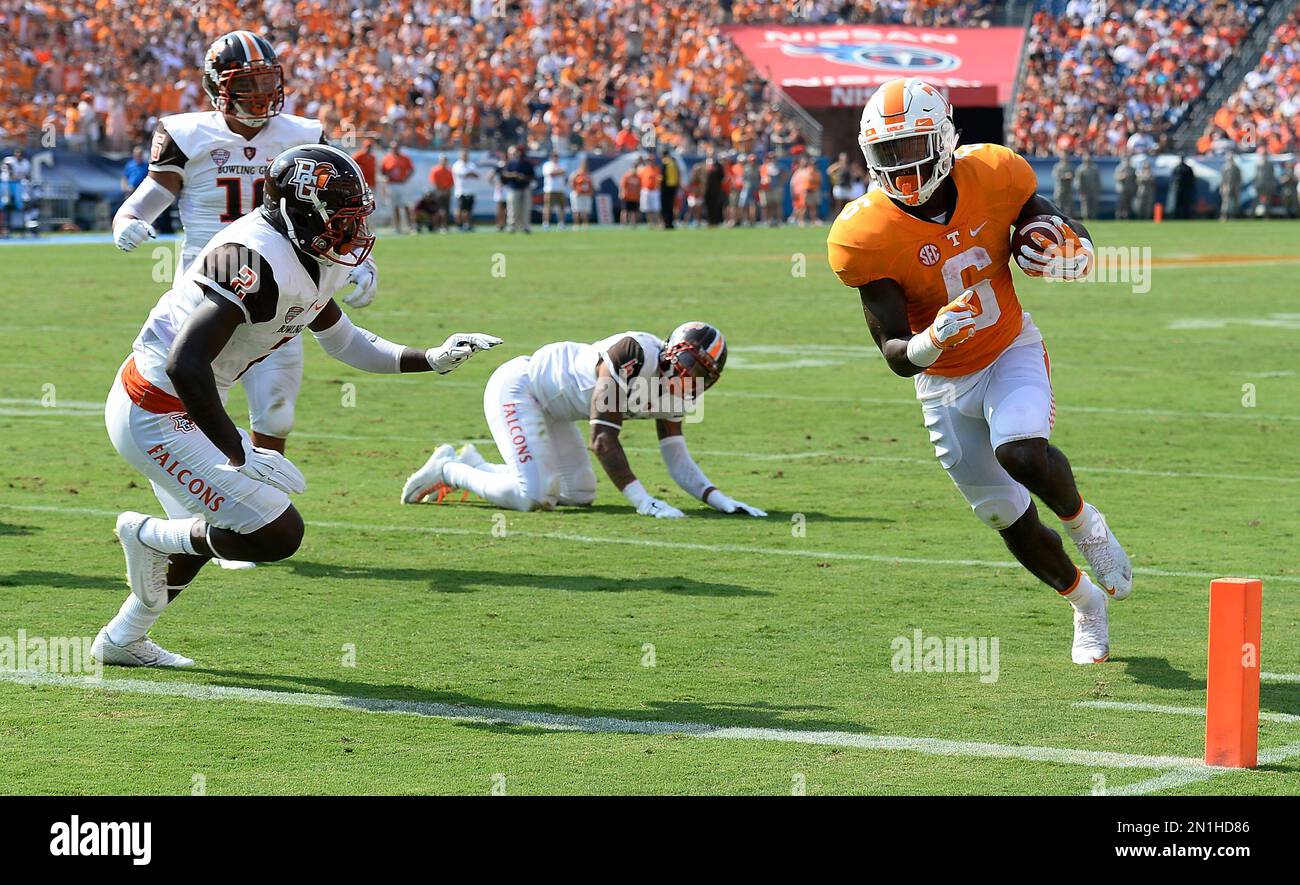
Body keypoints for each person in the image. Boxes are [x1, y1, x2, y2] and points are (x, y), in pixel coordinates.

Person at [95, 143, 501, 667]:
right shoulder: (252, 257)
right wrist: (238, 450)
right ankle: (147, 535)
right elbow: (184, 363)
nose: (353, 232)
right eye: (343, 219)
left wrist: (433, 358)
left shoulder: (308, 253)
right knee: (275, 531)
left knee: (211, 532)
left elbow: (346, 342)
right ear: (301, 212)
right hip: (153, 406)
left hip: (184, 404)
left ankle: (122, 638)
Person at [826, 77, 1131, 665]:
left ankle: (1086, 523)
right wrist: (931, 338)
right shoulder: (864, 233)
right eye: (888, 155)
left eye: (912, 148)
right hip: (940, 379)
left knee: (1020, 450)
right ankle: (1086, 604)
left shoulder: (993, 173)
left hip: (1008, 345)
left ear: (943, 139)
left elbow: (1053, 220)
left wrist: (1077, 250)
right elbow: (891, 350)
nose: (904, 169)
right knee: (1003, 515)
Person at [110, 31, 378, 570]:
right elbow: (152, 195)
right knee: (189, 396)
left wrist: (358, 260)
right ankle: (217, 509)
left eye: (267, 83)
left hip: (289, 278)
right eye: (246, 85)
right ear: (216, 88)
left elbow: (340, 205)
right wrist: (130, 218)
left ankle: (253, 502)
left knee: (276, 405)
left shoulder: (302, 133)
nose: (260, 96)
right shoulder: (188, 133)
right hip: (214, 289)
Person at [401, 323, 764, 520]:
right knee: (534, 496)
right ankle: (448, 470)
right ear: (671, 352)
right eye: (688, 364)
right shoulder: (632, 353)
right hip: (520, 389)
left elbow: (677, 457)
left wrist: (718, 500)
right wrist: (643, 502)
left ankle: (475, 465)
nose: (689, 377)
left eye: (702, 373)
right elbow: (602, 440)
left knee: (579, 494)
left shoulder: (676, 390)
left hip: (556, 410)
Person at [382, 142, 417, 234]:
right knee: (395, 207)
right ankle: (397, 227)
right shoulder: (387, 158)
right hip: (392, 184)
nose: (395, 149)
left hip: (402, 184)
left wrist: (405, 178)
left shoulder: (405, 158)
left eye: (396, 147)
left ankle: (411, 226)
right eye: (393, 147)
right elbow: (383, 171)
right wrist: (388, 176)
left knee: (406, 205)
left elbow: (411, 170)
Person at [502, 145, 534, 233]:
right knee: (512, 208)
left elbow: (532, 176)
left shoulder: (527, 163)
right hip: (513, 188)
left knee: (525, 208)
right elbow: (505, 174)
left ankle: (525, 226)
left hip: (525, 187)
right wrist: (514, 174)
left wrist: (524, 177)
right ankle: (512, 226)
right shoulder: (510, 163)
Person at [451, 148, 480, 232]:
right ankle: (459, 224)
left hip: (471, 191)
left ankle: (467, 224)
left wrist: (470, 174)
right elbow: (464, 174)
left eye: (466, 155)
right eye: (463, 155)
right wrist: (470, 174)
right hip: (461, 191)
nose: (465, 157)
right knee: (461, 209)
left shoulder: (471, 164)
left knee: (469, 210)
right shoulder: (457, 165)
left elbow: (476, 175)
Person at [427, 154, 454, 233]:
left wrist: (446, 190)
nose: (444, 162)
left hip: (447, 192)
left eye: (445, 160)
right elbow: (434, 182)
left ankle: (444, 226)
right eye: (442, 160)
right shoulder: (435, 170)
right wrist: (441, 190)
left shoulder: (449, 171)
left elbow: (451, 182)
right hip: (437, 193)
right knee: (437, 211)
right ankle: (436, 226)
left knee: (446, 210)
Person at [541, 150, 567, 229]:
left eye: (556, 156)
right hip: (549, 189)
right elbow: (551, 174)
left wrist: (556, 172)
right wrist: (558, 172)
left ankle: (561, 223)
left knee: (561, 207)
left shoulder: (562, 163)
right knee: (548, 207)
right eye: (554, 156)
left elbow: (563, 172)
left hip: (560, 189)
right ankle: (546, 223)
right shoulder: (547, 165)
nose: (555, 158)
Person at [569, 158, 594, 229]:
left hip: (586, 194)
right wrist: (576, 191)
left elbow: (591, 185)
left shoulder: (588, 175)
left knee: (585, 210)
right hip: (578, 194)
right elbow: (571, 183)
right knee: (576, 210)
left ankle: (585, 224)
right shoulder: (576, 174)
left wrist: (590, 192)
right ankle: (576, 224)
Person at [638, 154, 662, 227]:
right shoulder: (643, 169)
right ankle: (650, 224)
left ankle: (658, 223)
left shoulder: (657, 169)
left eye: (650, 160)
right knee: (647, 208)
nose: (649, 162)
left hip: (654, 191)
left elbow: (660, 179)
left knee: (656, 208)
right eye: (648, 160)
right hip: (645, 191)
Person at [659, 149, 680, 229]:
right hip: (673, 187)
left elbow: (662, 177)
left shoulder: (665, 162)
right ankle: (671, 223)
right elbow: (678, 174)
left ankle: (666, 223)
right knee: (671, 206)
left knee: (665, 206)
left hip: (665, 187)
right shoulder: (673, 162)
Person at [1076, 153, 1100, 220]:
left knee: (1093, 203)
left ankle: (1093, 216)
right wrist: (1080, 190)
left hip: (1093, 189)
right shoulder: (1081, 169)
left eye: (1089, 160)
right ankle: (1086, 217)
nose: (1088, 161)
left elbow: (1097, 180)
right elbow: (1078, 181)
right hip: (1084, 190)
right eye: (1086, 160)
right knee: (1085, 204)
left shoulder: (1094, 168)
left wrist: (1097, 188)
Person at [1253, 150, 1276, 218]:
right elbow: (1256, 176)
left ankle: (1266, 215)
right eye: (1263, 155)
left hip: (1267, 185)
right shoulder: (1258, 164)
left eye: (1265, 155)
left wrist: (1271, 185)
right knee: (1256, 200)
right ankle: (1253, 215)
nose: (1264, 156)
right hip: (1259, 185)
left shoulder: (1270, 165)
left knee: (1267, 201)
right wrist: (1256, 184)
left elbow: (1272, 176)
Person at [828, 151, 852, 216]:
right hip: (839, 186)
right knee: (839, 205)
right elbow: (829, 171)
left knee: (848, 204)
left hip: (847, 187)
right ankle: (838, 217)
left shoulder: (848, 166)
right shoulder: (838, 165)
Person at [1051, 150, 1074, 217]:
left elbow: (1074, 175)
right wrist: (1064, 176)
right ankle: (1059, 216)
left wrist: (1071, 176)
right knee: (1059, 203)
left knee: (1068, 204)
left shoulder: (1070, 166)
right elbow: (1055, 175)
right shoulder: (1057, 166)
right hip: (1060, 188)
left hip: (1068, 188)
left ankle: (1068, 217)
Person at [1219, 153, 1242, 221]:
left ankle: (1233, 216)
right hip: (1226, 187)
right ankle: (1224, 215)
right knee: (1225, 202)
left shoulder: (1236, 168)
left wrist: (1238, 187)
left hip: (1234, 187)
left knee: (1234, 202)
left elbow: (1239, 179)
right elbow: (1222, 179)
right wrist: (1222, 187)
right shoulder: (1224, 168)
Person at [1133, 154, 1156, 220]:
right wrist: (1146, 178)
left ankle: (1147, 218)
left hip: (1149, 191)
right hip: (1141, 191)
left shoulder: (1151, 173)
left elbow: (1152, 180)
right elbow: (1138, 180)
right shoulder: (1140, 172)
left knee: (1148, 206)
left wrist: (1146, 178)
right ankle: (1139, 218)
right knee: (1140, 206)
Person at [1113, 154, 1135, 220]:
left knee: (1128, 204)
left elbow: (1134, 180)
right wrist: (1123, 176)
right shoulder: (1119, 168)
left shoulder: (1132, 169)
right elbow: (1116, 177)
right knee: (1121, 204)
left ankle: (1127, 217)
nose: (1127, 162)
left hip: (1129, 189)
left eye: (1129, 160)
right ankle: (1119, 217)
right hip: (1121, 189)